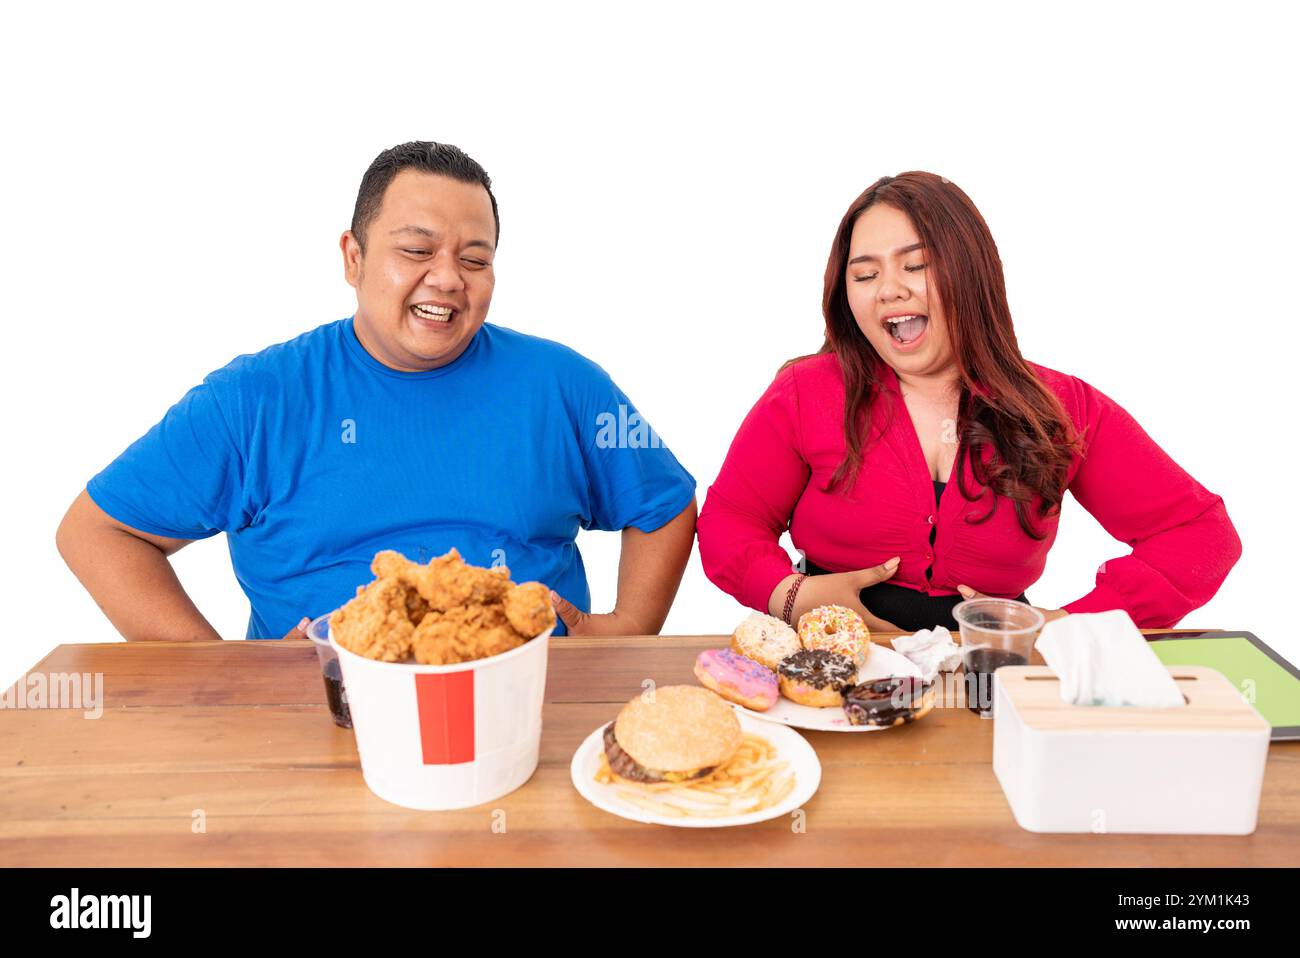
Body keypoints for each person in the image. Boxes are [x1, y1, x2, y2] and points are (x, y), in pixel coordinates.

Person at [56, 141, 697, 641]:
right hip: (323, 713)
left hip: (531, 701)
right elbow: (96, 533)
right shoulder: (254, 400)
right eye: (416, 250)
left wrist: (626, 632)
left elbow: (664, 503)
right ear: (353, 258)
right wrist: (221, 668)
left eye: (475, 259)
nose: (447, 278)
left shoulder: (563, 384)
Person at [696, 172, 1240, 633]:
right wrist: (788, 595)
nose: (888, 289)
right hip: (832, 658)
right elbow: (730, 519)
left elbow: (1200, 535)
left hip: (994, 674)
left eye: (914, 265)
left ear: (970, 273)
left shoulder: (1064, 408)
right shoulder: (803, 391)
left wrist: (1075, 626)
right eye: (864, 274)